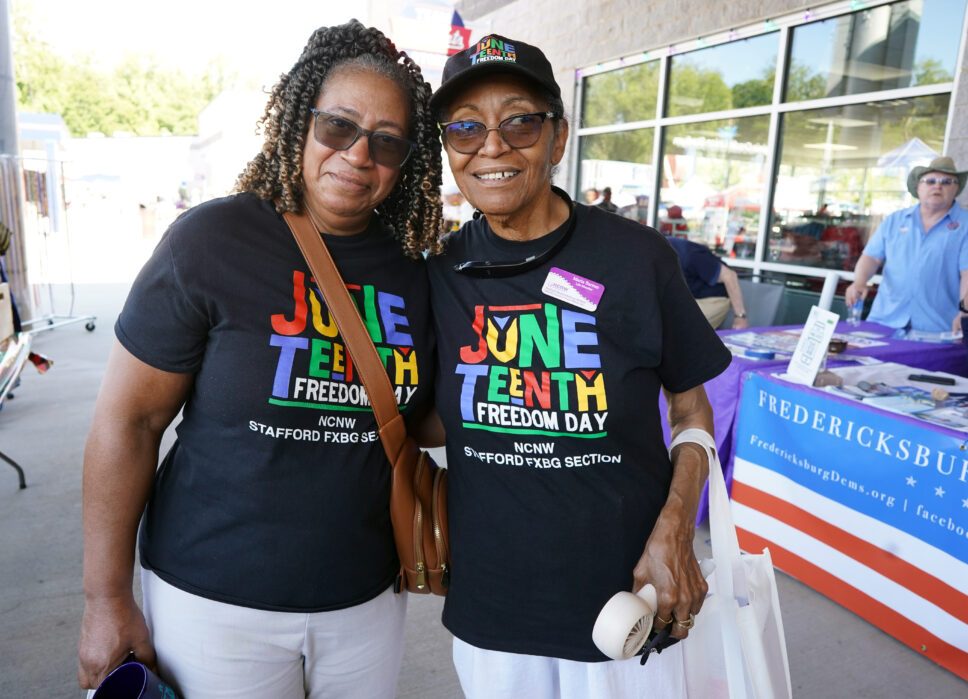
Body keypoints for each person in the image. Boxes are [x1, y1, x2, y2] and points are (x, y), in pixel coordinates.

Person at [76, 21, 443, 698]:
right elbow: (130, 422)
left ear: (406, 161)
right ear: (301, 122)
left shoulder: (416, 272)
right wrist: (106, 598)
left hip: (366, 598)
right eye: (338, 126)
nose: (358, 154)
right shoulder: (212, 241)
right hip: (213, 601)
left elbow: (420, 418)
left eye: (387, 141)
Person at [426, 33, 731, 698]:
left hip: (631, 600)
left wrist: (677, 527)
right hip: (493, 611)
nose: (492, 146)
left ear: (558, 137)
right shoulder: (437, 272)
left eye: (519, 122)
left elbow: (691, 408)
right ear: (448, 148)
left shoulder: (638, 258)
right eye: (466, 128)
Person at [845, 156, 968, 334]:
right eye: (930, 181)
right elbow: (871, 257)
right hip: (884, 322)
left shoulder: (965, 225)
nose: (937, 186)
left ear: (956, 188)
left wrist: (964, 312)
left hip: (939, 328)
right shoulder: (895, 220)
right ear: (918, 187)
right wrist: (859, 281)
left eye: (946, 182)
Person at [665, 235, 749, 329]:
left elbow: (730, 276)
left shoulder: (691, 255)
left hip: (713, 299)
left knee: (678, 327)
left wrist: (740, 316)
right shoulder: (657, 255)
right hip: (687, 298)